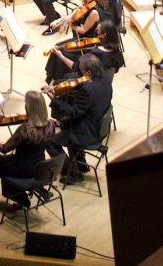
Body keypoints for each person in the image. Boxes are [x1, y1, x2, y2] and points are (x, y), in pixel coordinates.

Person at [0, 90, 59, 208]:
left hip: (20, 168)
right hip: (39, 167)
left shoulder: (24, 130)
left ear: (28, 107)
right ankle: (21, 199)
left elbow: (4, 148)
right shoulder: (51, 124)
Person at [49, 52, 114, 184]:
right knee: (64, 124)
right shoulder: (106, 80)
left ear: (89, 71)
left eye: (82, 71)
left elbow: (74, 112)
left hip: (88, 133)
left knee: (49, 142)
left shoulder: (88, 89)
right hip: (100, 127)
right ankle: (82, 164)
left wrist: (55, 99)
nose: (80, 73)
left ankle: (73, 173)